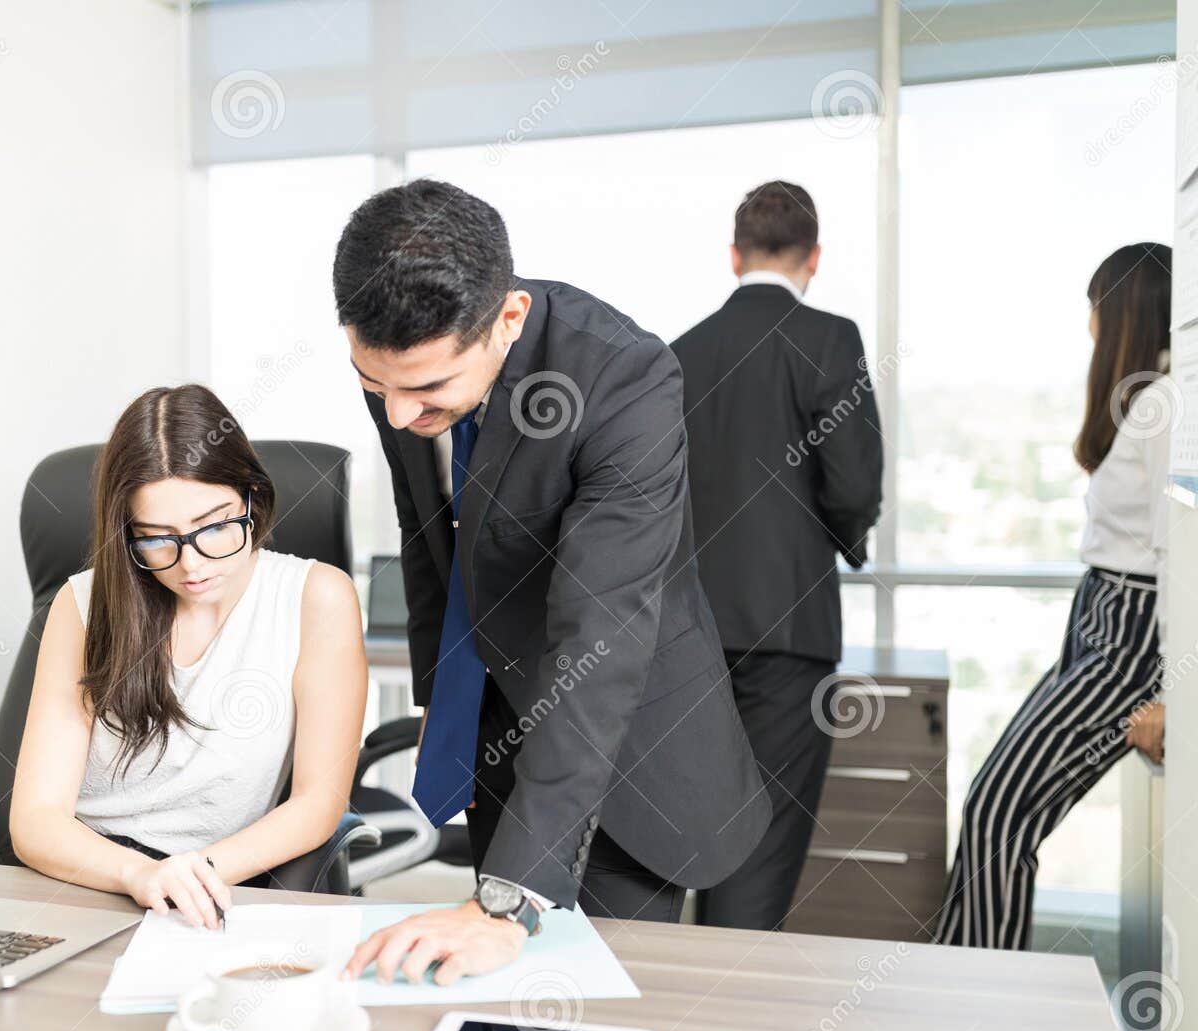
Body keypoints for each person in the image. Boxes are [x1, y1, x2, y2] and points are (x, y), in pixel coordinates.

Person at [335, 179, 771, 985]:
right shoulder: (401, 369)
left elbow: (600, 638)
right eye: (374, 383)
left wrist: (511, 898)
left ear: (508, 319)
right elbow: (432, 537)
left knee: (590, 1021)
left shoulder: (623, 381)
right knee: (495, 1009)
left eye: (427, 390)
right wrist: (445, 707)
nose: (397, 415)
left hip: (625, 752)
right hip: (497, 722)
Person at [8, 384, 367, 928]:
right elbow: (36, 818)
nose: (192, 564)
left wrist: (188, 876)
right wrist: (138, 875)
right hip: (91, 879)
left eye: (218, 526)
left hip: (215, 887)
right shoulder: (82, 602)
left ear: (253, 499)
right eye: (157, 538)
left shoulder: (316, 597)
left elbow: (318, 804)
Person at [935, 243, 1174, 949]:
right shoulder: (1149, 399)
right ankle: (964, 980)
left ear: (1126, 311)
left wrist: (1174, 699)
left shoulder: (1167, 403)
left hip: (1132, 633)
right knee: (994, 803)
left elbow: (1181, 561)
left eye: (1096, 309)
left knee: (999, 811)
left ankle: (977, 998)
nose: (1091, 327)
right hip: (1100, 615)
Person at [672, 180, 883, 931]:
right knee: (759, 845)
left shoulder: (679, 354)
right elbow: (855, 484)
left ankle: (666, 1004)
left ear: (734, 256)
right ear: (814, 258)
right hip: (789, 632)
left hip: (684, 634)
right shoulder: (830, 340)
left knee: (680, 828)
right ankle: (725, 1025)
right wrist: (836, 540)